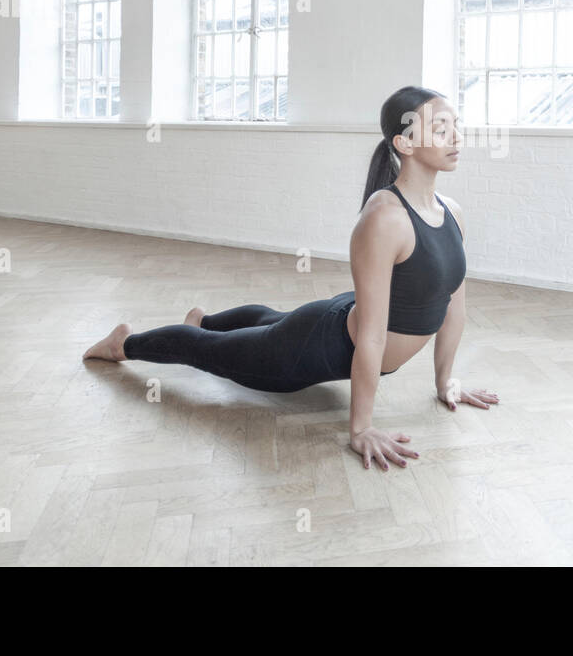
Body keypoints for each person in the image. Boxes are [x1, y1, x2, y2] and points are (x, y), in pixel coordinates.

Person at [83, 85, 500, 471]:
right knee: (214, 352)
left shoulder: (452, 212)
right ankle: (124, 344)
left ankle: (204, 319)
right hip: (315, 347)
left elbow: (453, 308)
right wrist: (360, 430)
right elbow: (372, 337)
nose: (457, 137)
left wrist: (447, 382)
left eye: (456, 127)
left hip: (337, 317)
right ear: (404, 143)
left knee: (271, 319)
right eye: (441, 129)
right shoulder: (385, 219)